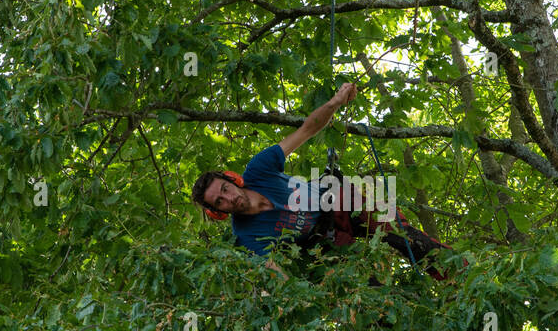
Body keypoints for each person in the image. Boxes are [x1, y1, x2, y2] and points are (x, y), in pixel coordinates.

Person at [190, 82, 453, 279]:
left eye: (225, 189)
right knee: (364, 292)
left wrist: (335, 102)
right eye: (220, 201)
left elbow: (308, 129)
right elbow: (275, 272)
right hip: (326, 243)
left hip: (340, 203)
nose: (229, 198)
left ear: (234, 180)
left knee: (404, 238)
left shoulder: (259, 170)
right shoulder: (247, 234)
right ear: (218, 212)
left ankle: (457, 275)